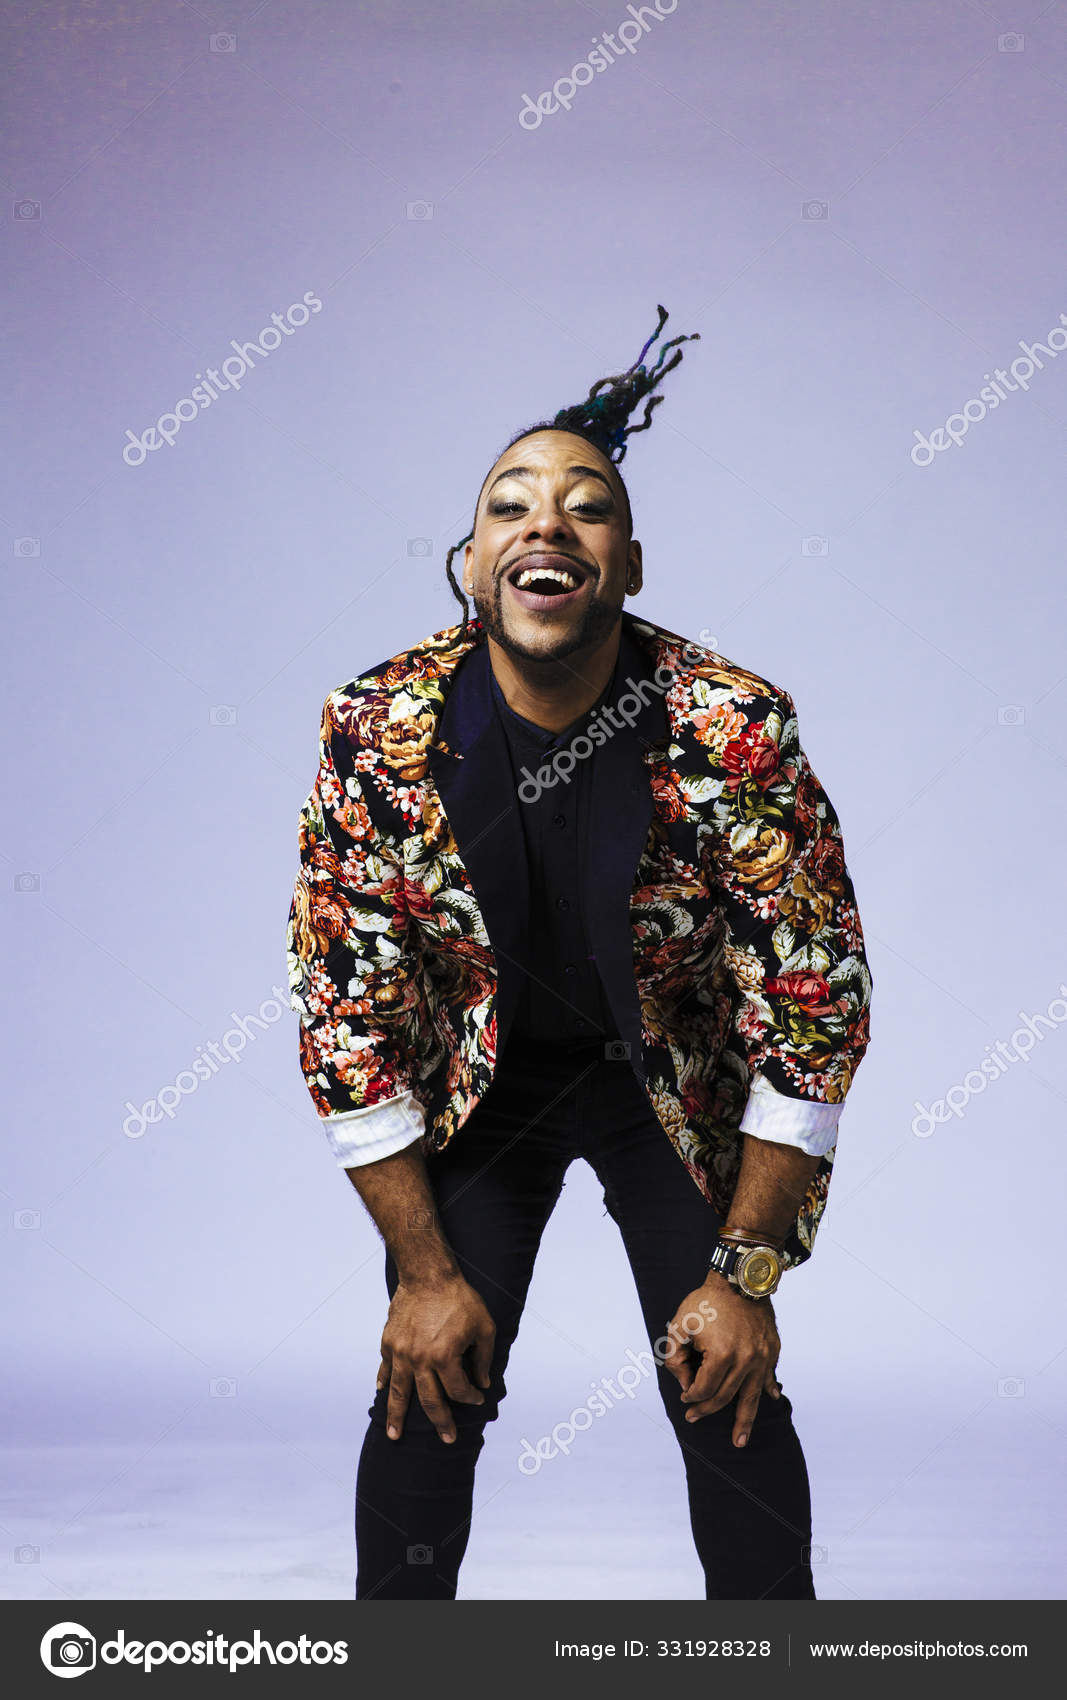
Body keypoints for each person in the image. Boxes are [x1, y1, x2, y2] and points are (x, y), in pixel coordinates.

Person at [286, 307, 873, 1600]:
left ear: (632, 563)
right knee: (426, 1375)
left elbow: (813, 1005)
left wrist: (749, 1269)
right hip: (483, 1087)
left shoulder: (734, 729)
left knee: (725, 1383)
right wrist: (424, 1272)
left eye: (585, 505)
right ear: (468, 565)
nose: (545, 523)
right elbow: (344, 1014)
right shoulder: (373, 731)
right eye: (509, 505)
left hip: (662, 1079)